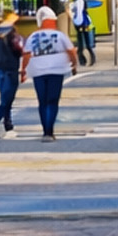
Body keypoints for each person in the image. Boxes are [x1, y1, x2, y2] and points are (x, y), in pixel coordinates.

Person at [21, 8, 77, 141]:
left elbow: (27, 55)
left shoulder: (33, 37)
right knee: (52, 100)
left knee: (42, 101)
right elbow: (71, 51)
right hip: (56, 70)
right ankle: (49, 131)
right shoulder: (60, 35)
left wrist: (23, 70)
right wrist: (74, 64)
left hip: (38, 71)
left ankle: (45, 130)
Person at [0, 9, 25, 139]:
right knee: (8, 98)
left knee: (4, 97)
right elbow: (19, 49)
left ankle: (8, 124)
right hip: (10, 66)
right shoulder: (12, 31)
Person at [70, 0, 97, 66]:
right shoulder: (85, 12)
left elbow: (76, 15)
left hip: (80, 25)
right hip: (86, 25)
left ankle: (83, 61)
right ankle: (91, 59)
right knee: (88, 44)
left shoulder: (77, 3)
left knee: (81, 44)